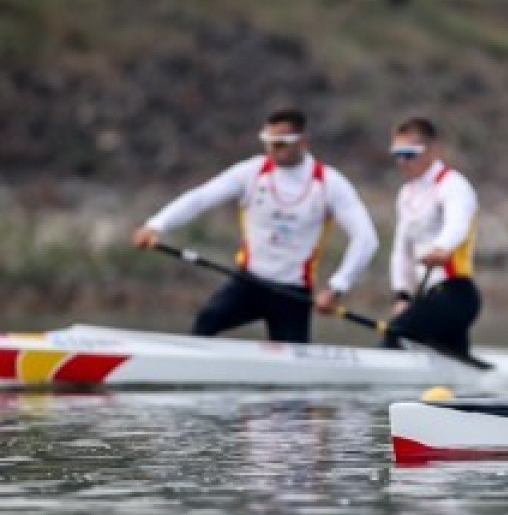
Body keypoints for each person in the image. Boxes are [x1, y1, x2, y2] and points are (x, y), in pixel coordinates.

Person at [133, 108, 379, 343]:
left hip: (292, 293)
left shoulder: (330, 184)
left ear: (303, 142)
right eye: (268, 142)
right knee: (205, 323)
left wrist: (337, 288)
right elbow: (200, 198)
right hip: (248, 283)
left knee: (292, 372)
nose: (272, 149)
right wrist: (156, 225)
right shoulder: (251, 172)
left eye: (281, 143)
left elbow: (366, 238)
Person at [382, 117, 481, 357]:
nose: (402, 162)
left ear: (433, 150)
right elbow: (401, 251)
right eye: (397, 154)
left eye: (409, 154)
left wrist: (442, 248)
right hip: (428, 294)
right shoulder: (406, 194)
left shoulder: (453, 185)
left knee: (394, 334)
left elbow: (458, 223)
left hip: (456, 294)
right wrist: (403, 295)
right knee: (450, 360)